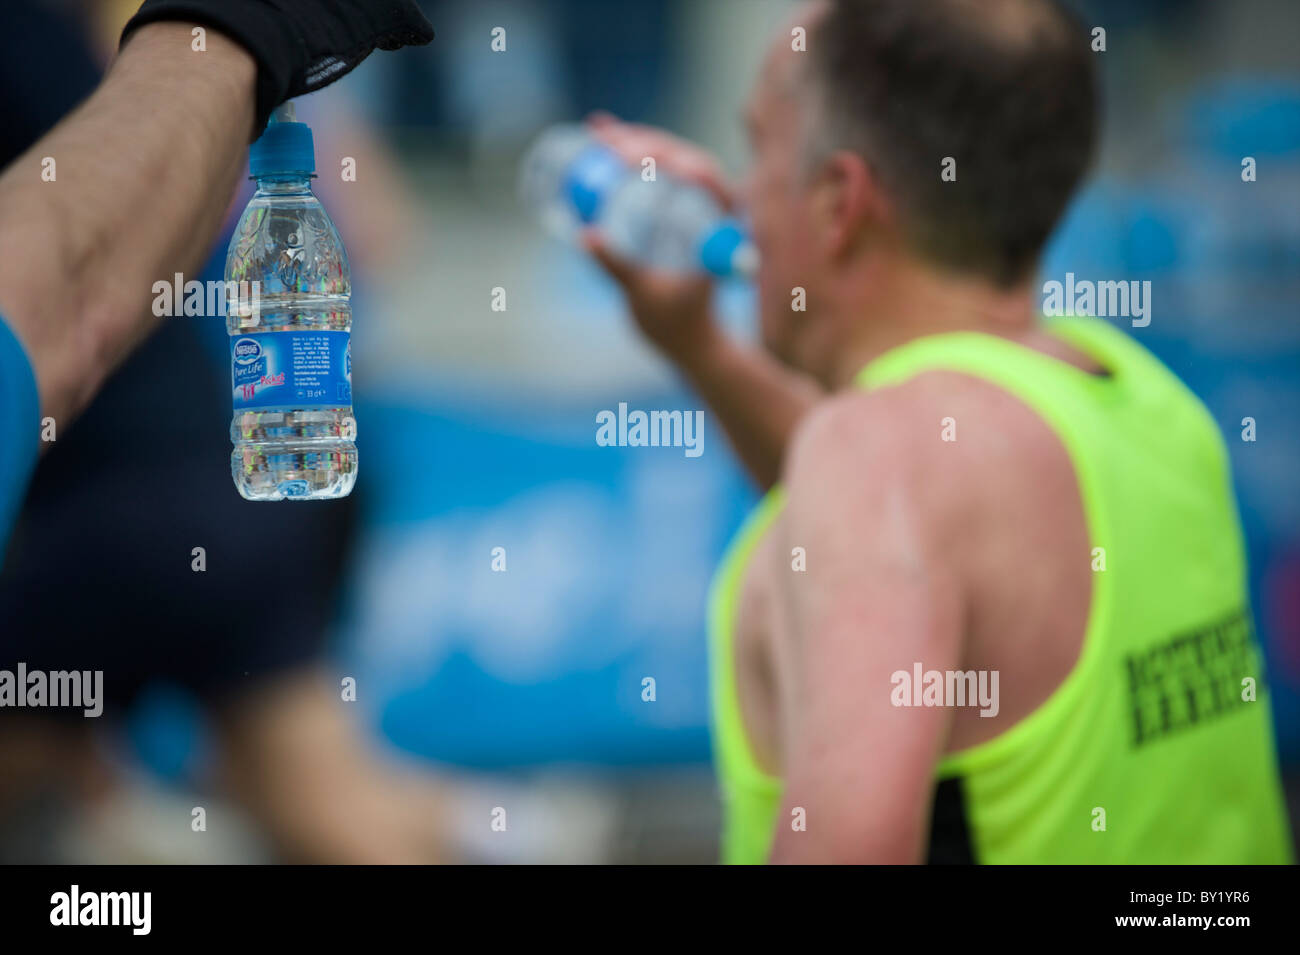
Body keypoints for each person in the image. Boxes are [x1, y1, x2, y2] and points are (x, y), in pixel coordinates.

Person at [582, 0, 1293, 863]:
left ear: (839, 202)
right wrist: (698, 346)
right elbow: (895, 535)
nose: (741, 192)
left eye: (760, 145)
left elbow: (877, 504)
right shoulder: (1142, 397)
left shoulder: (876, 458)